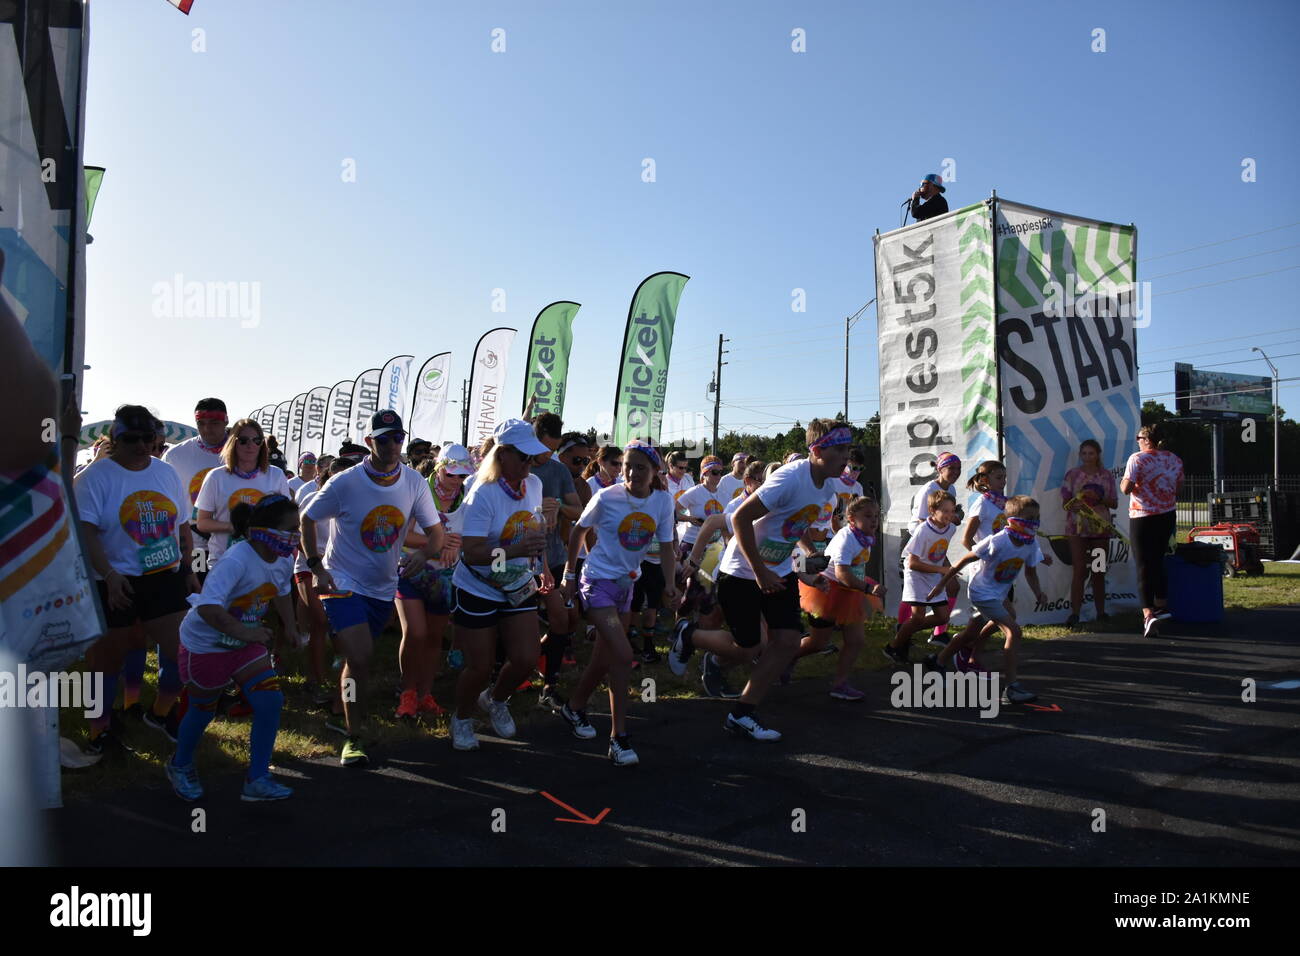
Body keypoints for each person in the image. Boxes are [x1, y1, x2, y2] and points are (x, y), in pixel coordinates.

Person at [669, 419, 849, 741]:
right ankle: (689, 633)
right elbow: (738, 518)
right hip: (741, 573)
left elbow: (799, 522)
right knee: (747, 648)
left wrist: (809, 561)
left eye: (848, 448)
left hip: (778, 572)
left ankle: (742, 713)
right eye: (841, 449)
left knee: (787, 642)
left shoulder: (828, 487)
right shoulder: (789, 478)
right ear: (818, 450)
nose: (847, 456)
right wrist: (759, 571)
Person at [302, 410, 444, 766]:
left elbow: (437, 535)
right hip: (341, 579)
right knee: (361, 656)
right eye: (384, 439)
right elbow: (306, 518)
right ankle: (354, 736)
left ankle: (340, 708)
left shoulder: (413, 482)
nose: (392, 446)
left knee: (357, 661)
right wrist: (316, 565)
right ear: (370, 442)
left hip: (382, 586)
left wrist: (424, 553)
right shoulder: (345, 483)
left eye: (398, 438)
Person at [75, 405, 198, 750]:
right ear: (115, 439)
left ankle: (160, 713)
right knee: (105, 663)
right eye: (132, 439)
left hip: (163, 576)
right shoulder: (94, 477)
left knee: (183, 653)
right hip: (114, 581)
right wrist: (110, 575)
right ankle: (100, 730)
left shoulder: (166, 472)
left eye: (149, 438)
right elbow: (86, 533)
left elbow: (182, 524)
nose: (142, 446)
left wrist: (187, 569)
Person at [165, 495, 302, 802]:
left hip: (244, 643)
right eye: (291, 529)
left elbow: (281, 591)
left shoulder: (282, 558)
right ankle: (179, 765)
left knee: (270, 701)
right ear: (261, 531)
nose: (297, 536)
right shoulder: (236, 560)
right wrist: (245, 631)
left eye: (299, 528)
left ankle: (257, 779)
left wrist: (290, 627)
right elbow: (208, 608)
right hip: (207, 645)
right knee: (202, 711)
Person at [558, 440, 678, 765]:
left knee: (604, 658)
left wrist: (669, 583)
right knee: (624, 656)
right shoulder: (606, 497)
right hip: (597, 583)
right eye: (627, 464)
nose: (631, 472)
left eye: (641, 466)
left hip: (627, 586)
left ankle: (573, 707)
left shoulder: (663, 501)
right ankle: (618, 738)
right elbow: (577, 532)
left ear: (655, 471)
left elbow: (666, 546)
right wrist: (569, 576)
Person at [447, 419, 550, 751]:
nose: (529, 464)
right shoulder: (483, 493)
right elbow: (473, 553)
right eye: (523, 457)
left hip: (517, 581)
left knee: (526, 658)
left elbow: (533, 529)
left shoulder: (533, 484)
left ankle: (494, 699)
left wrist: (541, 562)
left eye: (533, 457)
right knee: (479, 666)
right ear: (502, 455)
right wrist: (516, 550)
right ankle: (462, 718)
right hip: (478, 585)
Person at [928, 495, 1048, 705]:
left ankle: (939, 660)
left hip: (998, 593)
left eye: (1037, 517)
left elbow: (1031, 572)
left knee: (974, 631)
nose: (1035, 522)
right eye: (1030, 517)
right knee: (1013, 630)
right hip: (982, 593)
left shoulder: (1030, 542)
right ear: (1013, 519)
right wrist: (940, 585)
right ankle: (1011, 688)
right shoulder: (998, 540)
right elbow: (963, 560)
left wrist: (1038, 592)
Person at [394, 444, 474, 720]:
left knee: (433, 638)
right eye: (451, 474)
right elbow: (402, 535)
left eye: (462, 476)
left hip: (446, 577)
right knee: (415, 633)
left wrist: (457, 544)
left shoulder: (468, 497)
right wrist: (437, 543)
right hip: (412, 570)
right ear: (439, 468)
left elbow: (472, 536)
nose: (456, 481)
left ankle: (425, 694)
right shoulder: (419, 491)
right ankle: (406, 693)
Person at [794, 495, 886, 700]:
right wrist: (869, 589)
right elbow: (842, 574)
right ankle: (782, 661)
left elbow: (854, 571)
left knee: (856, 640)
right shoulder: (847, 538)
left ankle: (840, 684)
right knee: (817, 643)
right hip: (828, 591)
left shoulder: (866, 536)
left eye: (876, 516)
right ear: (851, 519)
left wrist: (864, 587)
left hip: (851, 592)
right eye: (868, 516)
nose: (874, 521)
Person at [528, 422, 584, 707]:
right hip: (521, 558)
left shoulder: (559, 470)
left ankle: (549, 684)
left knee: (563, 619)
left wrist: (558, 505)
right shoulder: (519, 466)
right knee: (516, 624)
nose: (546, 455)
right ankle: (512, 671)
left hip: (555, 556)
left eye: (552, 449)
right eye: (543, 448)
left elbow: (579, 511)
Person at [195, 419, 292, 570]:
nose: (250, 445)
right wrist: (235, 527)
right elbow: (202, 523)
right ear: (233, 443)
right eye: (243, 440)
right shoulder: (216, 477)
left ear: (262, 444)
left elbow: (288, 519)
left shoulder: (276, 475)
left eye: (256, 440)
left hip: (266, 562)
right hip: (225, 562)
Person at [1120, 423, 1183, 638]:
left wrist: (1126, 481)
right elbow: (1178, 487)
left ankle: (1148, 613)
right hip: (1167, 514)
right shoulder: (1174, 459)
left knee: (1143, 564)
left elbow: (1126, 488)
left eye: (1139, 437)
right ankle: (1162, 605)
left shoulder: (1137, 458)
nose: (1137, 441)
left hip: (1143, 515)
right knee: (1158, 560)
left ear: (1146, 440)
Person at [884, 488, 957, 666]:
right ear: (932, 511)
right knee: (917, 618)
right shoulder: (923, 530)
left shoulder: (951, 528)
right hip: (916, 575)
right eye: (945, 511)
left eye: (952, 510)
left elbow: (939, 552)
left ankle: (905, 631)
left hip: (932, 574)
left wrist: (942, 569)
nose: (949, 515)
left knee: (942, 617)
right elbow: (912, 563)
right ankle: (894, 647)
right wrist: (942, 570)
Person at [163, 398, 230, 577]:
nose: (207, 428)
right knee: (197, 591)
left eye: (214, 423)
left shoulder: (244, 450)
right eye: (201, 423)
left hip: (233, 541)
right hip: (196, 545)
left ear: (226, 421)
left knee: (235, 597)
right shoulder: (176, 455)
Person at [900, 452, 963, 644]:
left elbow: (946, 518)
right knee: (912, 594)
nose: (955, 472)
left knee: (952, 586)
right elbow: (922, 522)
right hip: (919, 542)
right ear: (940, 469)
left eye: (958, 468)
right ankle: (902, 629)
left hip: (935, 544)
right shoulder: (928, 489)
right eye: (951, 468)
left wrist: (954, 517)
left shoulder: (951, 489)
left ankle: (937, 633)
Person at [1061, 441, 1119, 627]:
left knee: (1098, 570)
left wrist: (1099, 498)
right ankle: (1075, 613)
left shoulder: (1106, 475)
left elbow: (1114, 503)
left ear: (1098, 455)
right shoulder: (1072, 475)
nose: (1087, 457)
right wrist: (1075, 504)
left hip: (1100, 530)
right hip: (1077, 529)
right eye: (1084, 453)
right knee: (1079, 570)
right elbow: (1065, 503)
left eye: (1091, 453)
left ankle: (1101, 612)